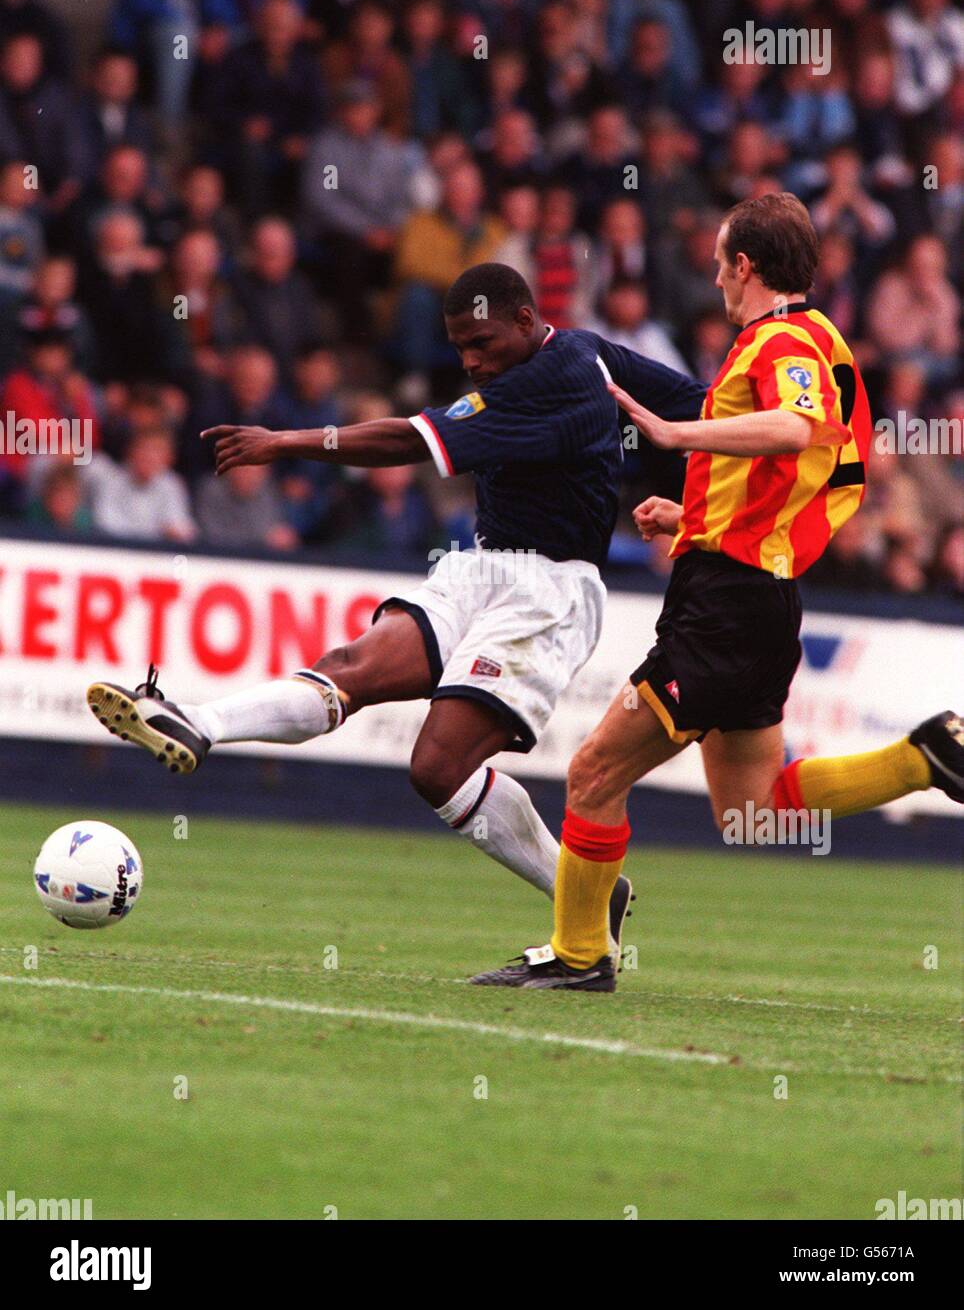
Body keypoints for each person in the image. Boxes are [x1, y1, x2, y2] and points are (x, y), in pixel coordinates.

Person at [84, 262, 706, 961]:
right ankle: (197, 723)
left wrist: (287, 442)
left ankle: (588, 895)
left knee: (437, 767)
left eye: (482, 343)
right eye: (459, 346)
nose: (470, 361)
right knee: (348, 667)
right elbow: (703, 402)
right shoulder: (590, 355)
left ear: (526, 322)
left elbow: (413, 440)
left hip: (550, 592)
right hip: (481, 566)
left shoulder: (556, 375)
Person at [470, 193, 963, 992]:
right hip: (753, 593)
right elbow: (788, 467)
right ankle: (923, 757)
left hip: (728, 605)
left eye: (720, 261)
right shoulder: (816, 336)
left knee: (595, 771)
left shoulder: (785, 337)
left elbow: (796, 429)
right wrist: (694, 513)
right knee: (753, 810)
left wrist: (674, 433)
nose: (715, 277)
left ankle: (579, 953)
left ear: (746, 266)